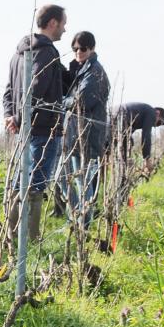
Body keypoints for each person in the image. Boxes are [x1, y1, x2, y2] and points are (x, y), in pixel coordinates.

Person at [2, 4, 68, 240]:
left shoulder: (17, 54)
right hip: (45, 128)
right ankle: (30, 237)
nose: (65, 29)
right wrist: (19, 117)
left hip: (25, 128)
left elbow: (9, 91)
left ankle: (11, 234)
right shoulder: (48, 52)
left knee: (20, 180)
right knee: (36, 183)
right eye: (63, 24)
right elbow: (37, 87)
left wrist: (10, 116)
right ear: (52, 23)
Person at [57, 32, 111, 228]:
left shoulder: (95, 72)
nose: (78, 52)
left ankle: (83, 226)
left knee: (83, 183)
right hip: (74, 135)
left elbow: (82, 102)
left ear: (92, 48)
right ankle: (76, 218)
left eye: (83, 48)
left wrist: (61, 102)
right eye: (75, 49)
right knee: (63, 179)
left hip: (87, 136)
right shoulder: (83, 70)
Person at [116, 102, 164, 172]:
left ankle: (124, 170)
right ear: (157, 113)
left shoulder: (141, 113)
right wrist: (147, 159)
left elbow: (129, 132)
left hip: (116, 113)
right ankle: (123, 172)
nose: (155, 126)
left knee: (126, 143)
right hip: (121, 115)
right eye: (158, 123)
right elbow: (146, 135)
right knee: (127, 145)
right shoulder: (151, 112)